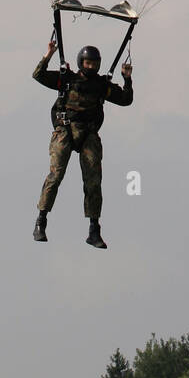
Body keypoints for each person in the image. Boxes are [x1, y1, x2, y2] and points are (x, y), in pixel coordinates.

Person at [32, 37, 133, 248]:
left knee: (93, 181)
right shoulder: (66, 79)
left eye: (95, 64)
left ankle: (94, 230)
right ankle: (41, 222)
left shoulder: (100, 85)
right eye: (88, 63)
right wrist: (48, 54)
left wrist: (127, 79)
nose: (91, 67)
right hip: (65, 131)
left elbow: (125, 100)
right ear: (81, 62)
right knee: (56, 175)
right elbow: (38, 75)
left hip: (88, 134)